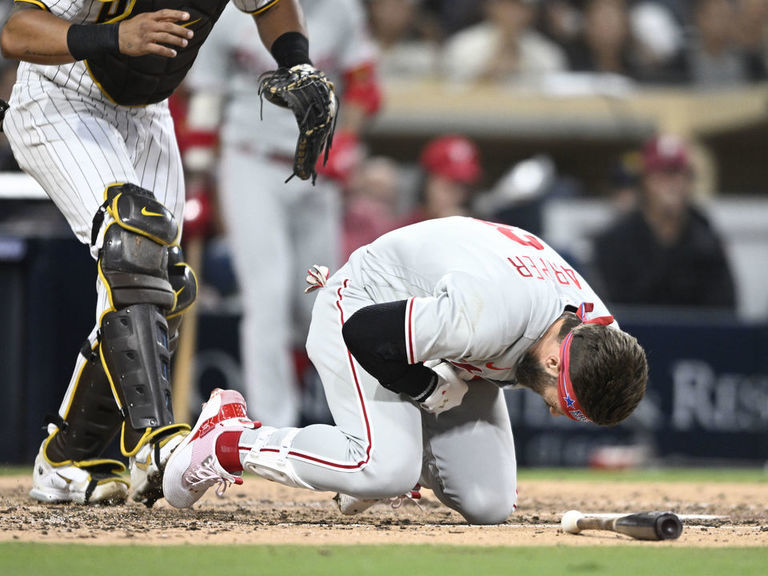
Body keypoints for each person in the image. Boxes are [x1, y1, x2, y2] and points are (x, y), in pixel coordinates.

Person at [0, 0, 335, 506]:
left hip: (146, 112)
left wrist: (296, 61)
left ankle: (70, 460)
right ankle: (156, 442)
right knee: (132, 242)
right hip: (61, 95)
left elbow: (271, 5)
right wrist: (116, 36)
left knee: (167, 284)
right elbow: (17, 31)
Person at [163, 216, 648, 525]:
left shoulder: (599, 335)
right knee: (382, 468)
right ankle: (229, 440)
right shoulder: (485, 317)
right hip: (365, 304)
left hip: (443, 331)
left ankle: (394, 453)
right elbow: (365, 335)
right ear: (554, 360)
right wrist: (427, 388)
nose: (560, 414)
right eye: (570, 406)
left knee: (489, 504)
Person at [183, 0, 380, 428]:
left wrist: (347, 141)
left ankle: (336, 419)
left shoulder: (340, 9)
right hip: (250, 160)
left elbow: (365, 85)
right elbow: (207, 94)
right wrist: (198, 178)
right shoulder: (231, 10)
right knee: (266, 298)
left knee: (318, 301)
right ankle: (275, 426)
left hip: (319, 167)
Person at [593, 135, 736, 309]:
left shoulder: (707, 243)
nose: (674, 184)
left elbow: (725, 311)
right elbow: (604, 311)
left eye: (681, 174)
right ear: (645, 181)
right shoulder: (614, 243)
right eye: (663, 174)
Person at [442, 0, 566, 85]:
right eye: (505, 6)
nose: (512, 13)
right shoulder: (463, 45)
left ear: (531, 13)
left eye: (519, 8)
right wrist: (487, 73)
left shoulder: (546, 52)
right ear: (491, 7)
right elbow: (449, 88)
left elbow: (554, 88)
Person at [398, 135, 483, 226]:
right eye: (448, 187)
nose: (457, 197)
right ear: (426, 184)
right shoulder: (406, 229)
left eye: (464, 187)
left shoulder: (477, 227)